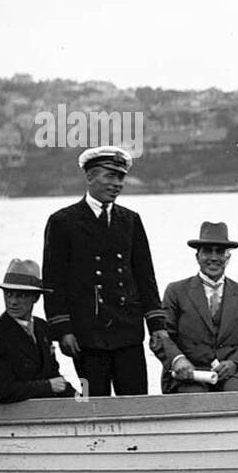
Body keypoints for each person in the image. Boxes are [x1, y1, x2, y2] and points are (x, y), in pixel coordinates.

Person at [42, 146, 167, 395]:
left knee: (135, 402)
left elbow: (145, 277)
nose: (117, 184)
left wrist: (156, 325)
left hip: (128, 332)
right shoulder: (63, 222)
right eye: (110, 176)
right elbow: (53, 283)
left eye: (121, 177)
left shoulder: (131, 220)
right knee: (92, 401)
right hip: (86, 336)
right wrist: (63, 330)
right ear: (89, 177)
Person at [158, 222, 238, 393]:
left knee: (235, 397)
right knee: (196, 400)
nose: (214, 257)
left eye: (219, 252)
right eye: (208, 251)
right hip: (189, 374)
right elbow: (162, 336)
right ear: (197, 256)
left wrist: (234, 363)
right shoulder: (175, 291)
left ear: (227, 257)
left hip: (230, 374)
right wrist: (178, 360)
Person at [0, 258, 77, 403]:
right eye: (8, 294)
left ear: (35, 297)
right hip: (16, 416)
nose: (13, 302)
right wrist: (47, 386)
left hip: (45, 412)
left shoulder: (41, 328)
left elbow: (55, 377)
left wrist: (82, 400)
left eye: (21, 295)